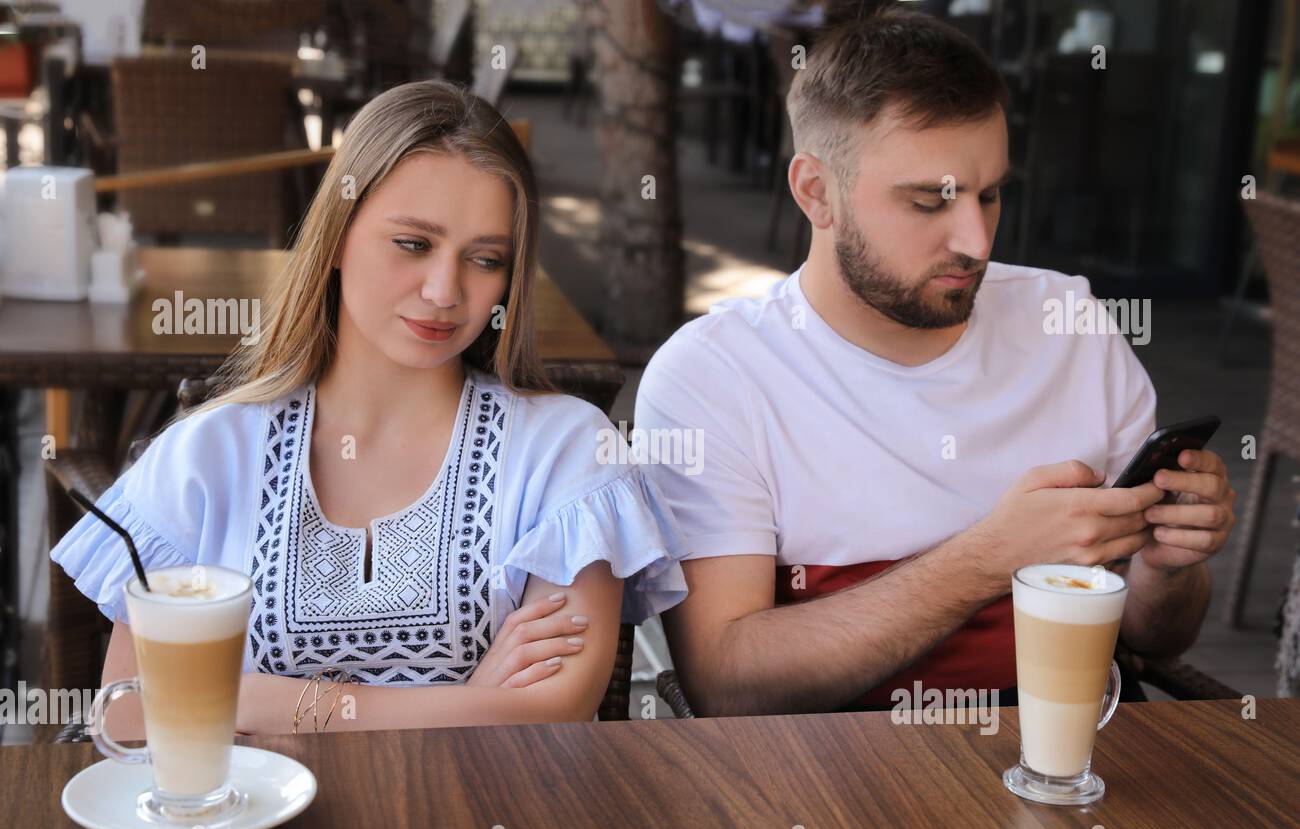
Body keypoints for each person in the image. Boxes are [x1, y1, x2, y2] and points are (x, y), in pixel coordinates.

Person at [634, 8, 1237, 717]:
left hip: (1072, 749)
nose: (976, 242)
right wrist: (987, 559)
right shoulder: (715, 377)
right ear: (816, 193)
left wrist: (1166, 572)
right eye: (930, 202)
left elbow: (1152, 637)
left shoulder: (1068, 321)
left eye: (991, 194)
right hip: (836, 777)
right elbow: (725, 681)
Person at [52, 80, 687, 735]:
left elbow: (556, 709)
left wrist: (243, 699)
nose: (445, 291)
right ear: (334, 237)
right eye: (413, 244)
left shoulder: (566, 450)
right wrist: (471, 701)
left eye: (486, 258)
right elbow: (129, 713)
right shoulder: (207, 453)